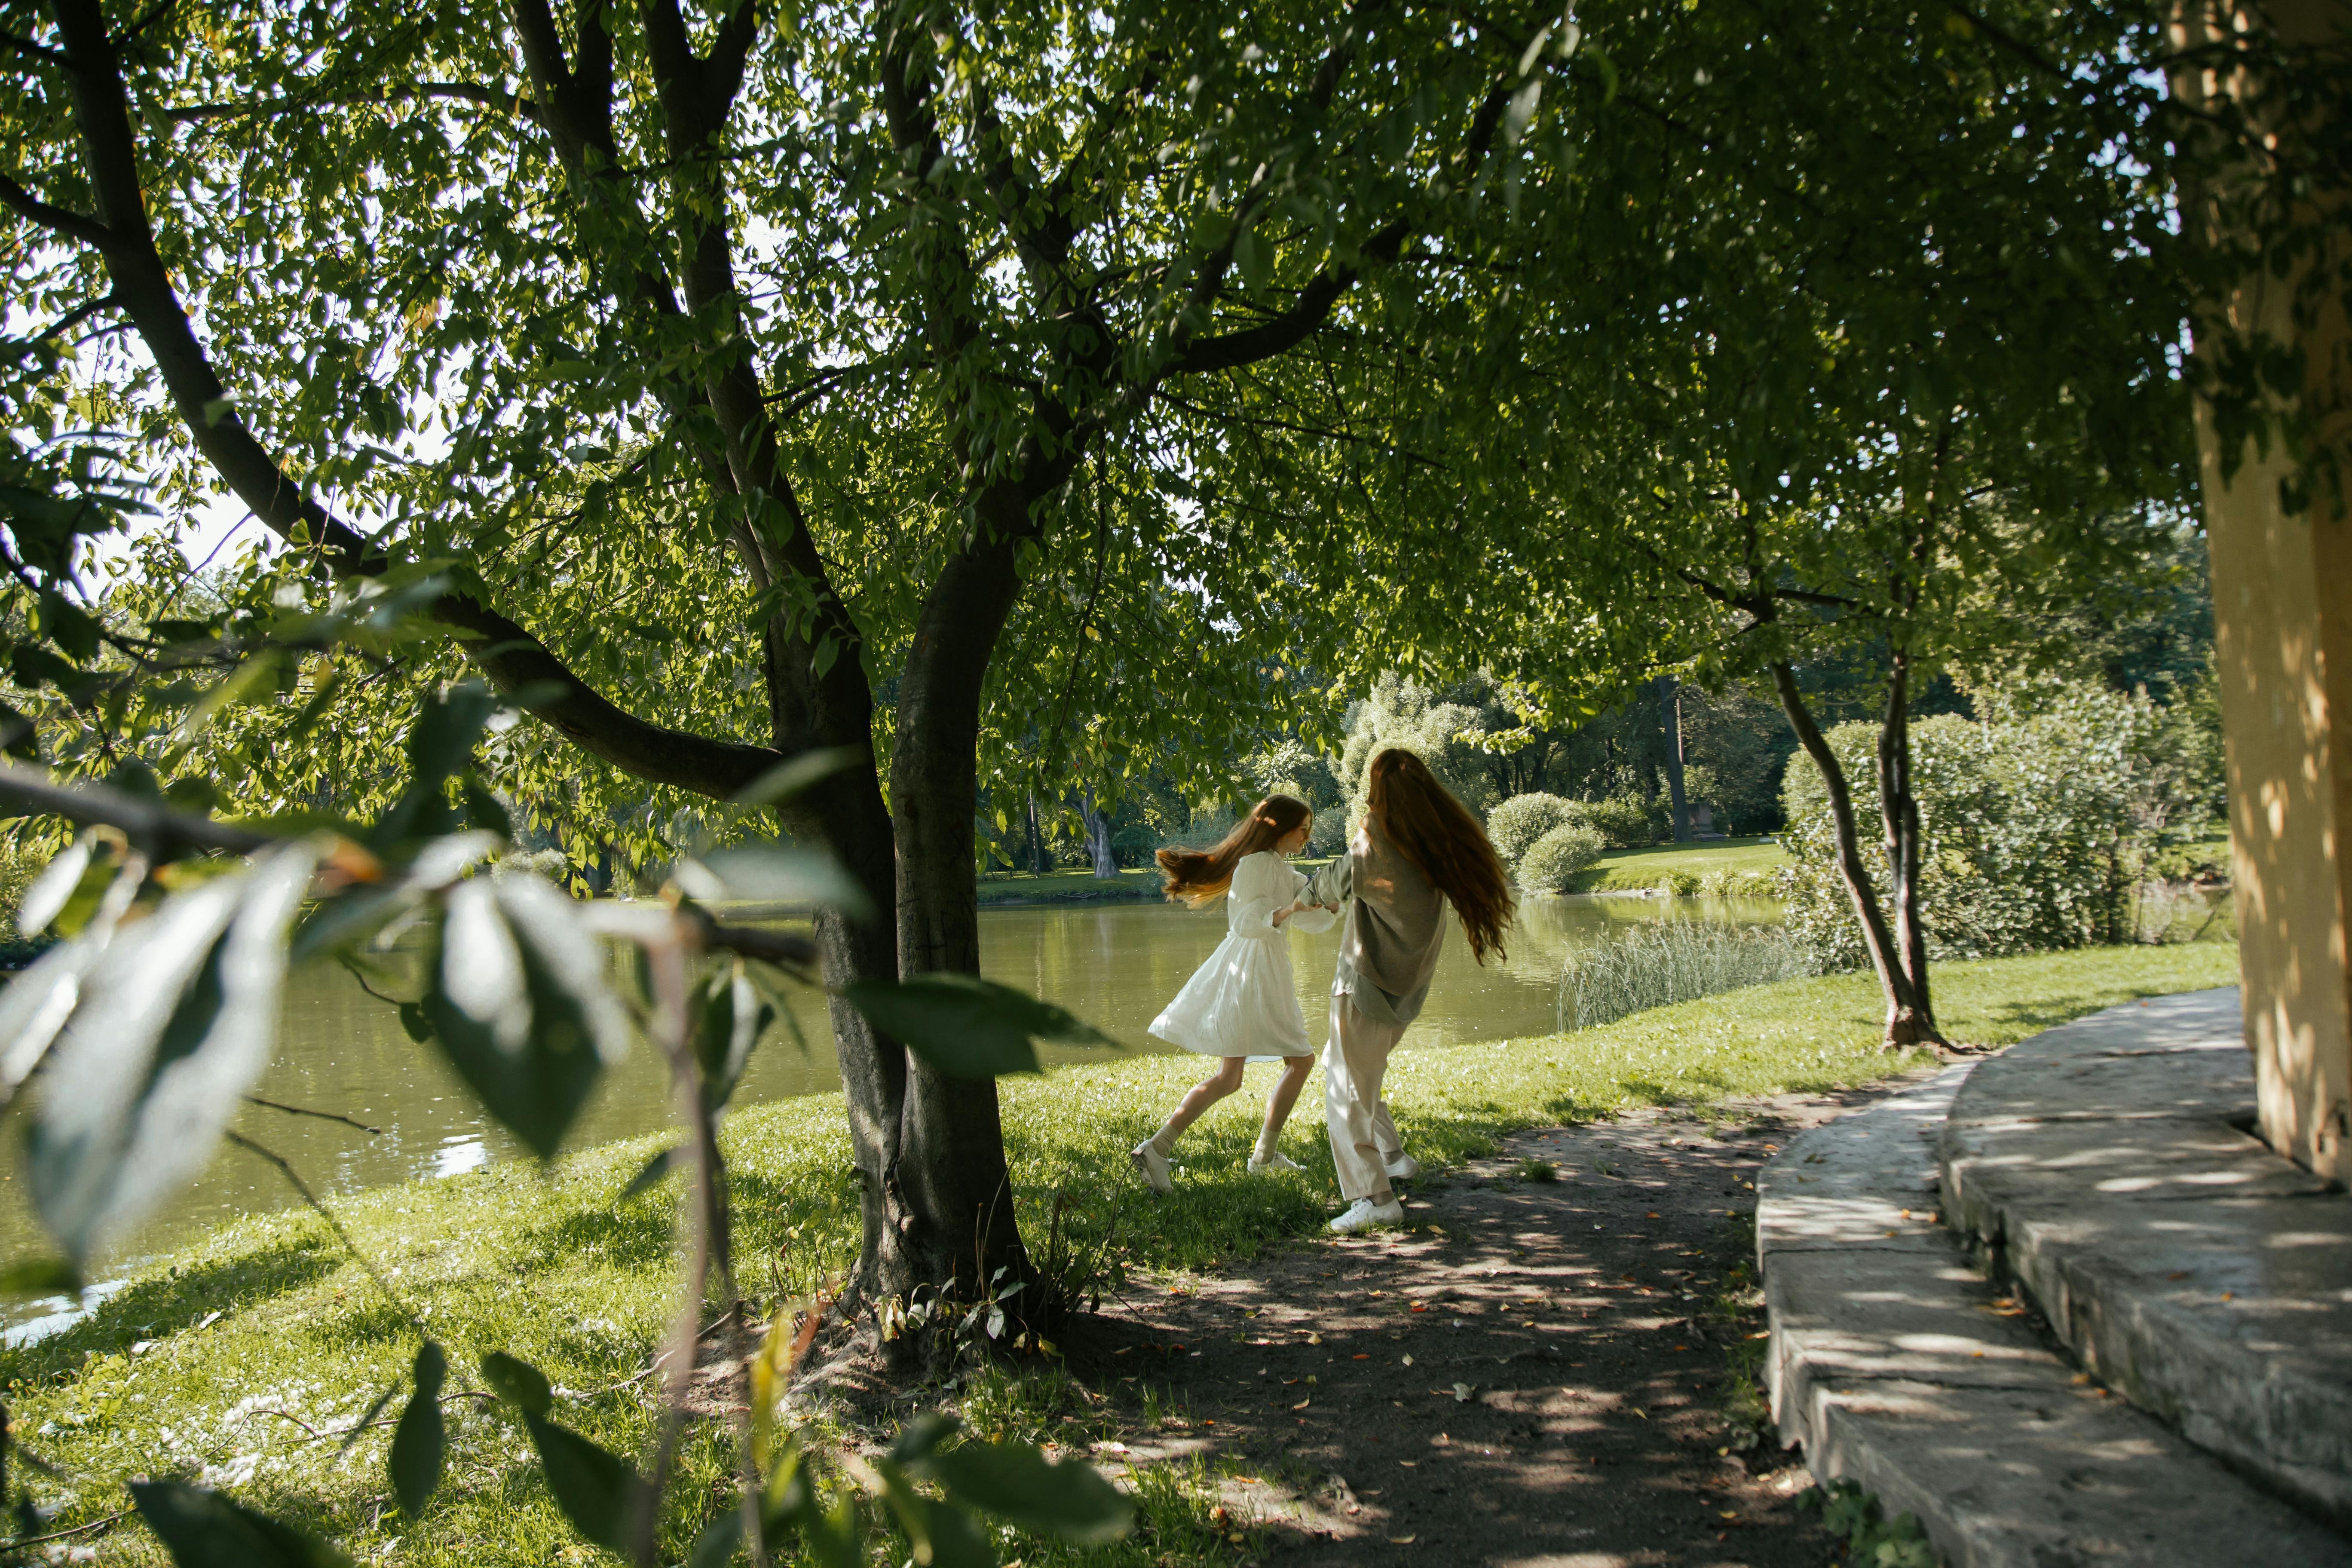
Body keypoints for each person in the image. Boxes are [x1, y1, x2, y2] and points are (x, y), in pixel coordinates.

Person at [1307, 748, 1515, 1234]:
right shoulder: (1431, 845)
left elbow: (1334, 883)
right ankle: (1395, 1159)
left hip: (1364, 985)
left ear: (1379, 792)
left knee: (1345, 1089)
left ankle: (1374, 1198)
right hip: (1404, 993)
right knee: (1360, 1073)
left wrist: (1294, 900)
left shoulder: (1377, 837)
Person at [1131, 794, 1337, 1194]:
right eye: (1302, 830)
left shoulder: (1276, 866)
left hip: (1262, 970)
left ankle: (1160, 1149)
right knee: (1298, 1061)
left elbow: (1310, 903)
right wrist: (1291, 910)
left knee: (1234, 1077)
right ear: (1279, 828)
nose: (1307, 837)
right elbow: (1246, 922)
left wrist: (1326, 903)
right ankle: (1261, 1156)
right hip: (1253, 973)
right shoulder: (1254, 865)